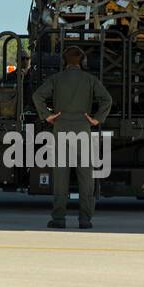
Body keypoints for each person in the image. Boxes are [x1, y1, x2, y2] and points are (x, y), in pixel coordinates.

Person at [32, 46, 113, 229]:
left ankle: (59, 218)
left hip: (61, 130)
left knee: (61, 177)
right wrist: (96, 119)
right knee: (86, 177)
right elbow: (107, 100)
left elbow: (37, 96)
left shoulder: (56, 79)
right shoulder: (90, 79)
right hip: (83, 130)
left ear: (64, 62)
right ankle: (85, 220)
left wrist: (47, 115)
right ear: (83, 62)